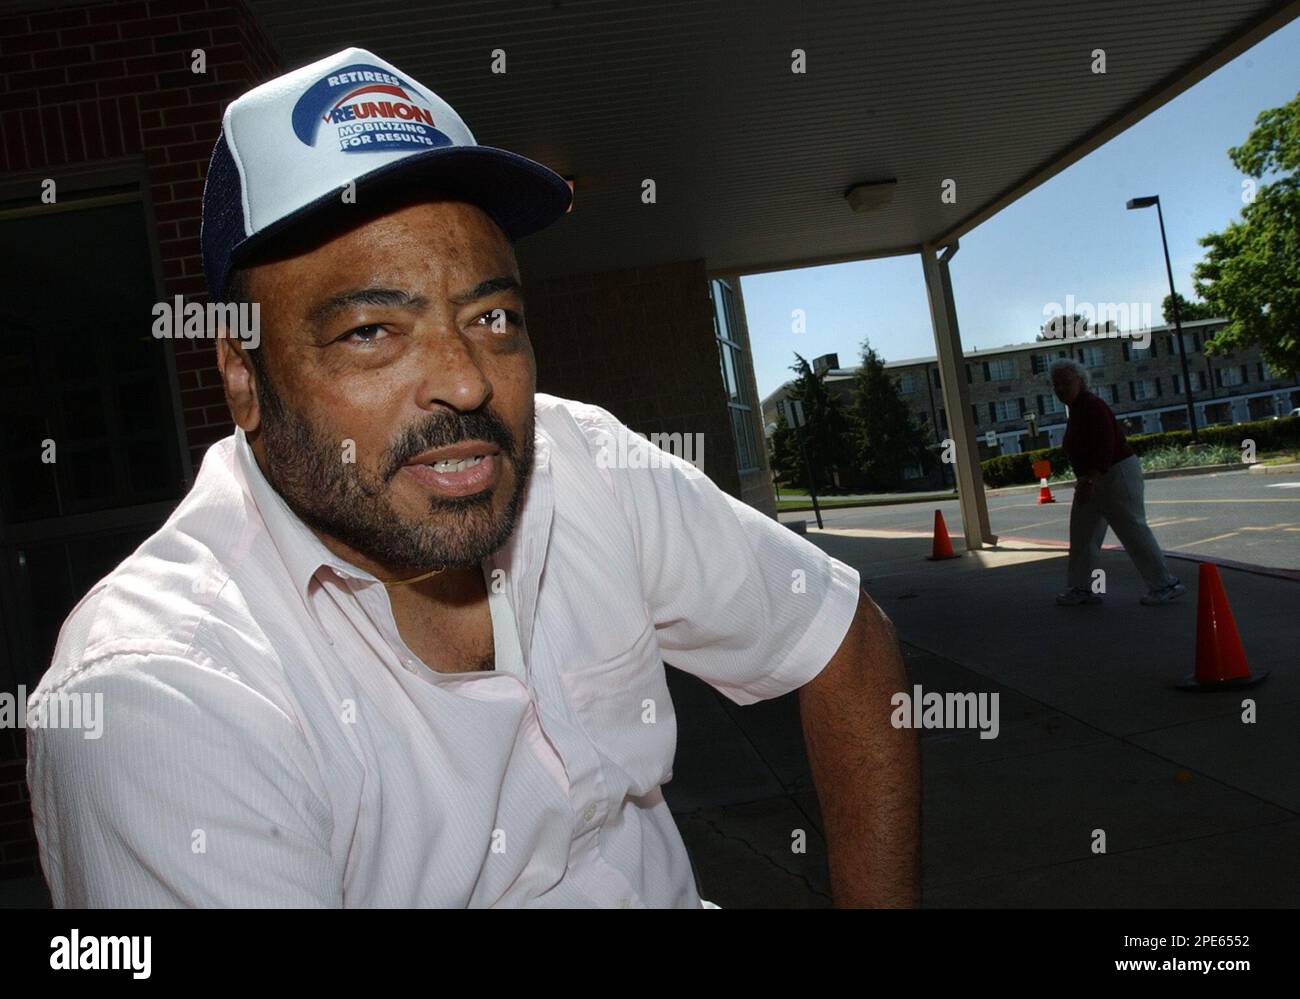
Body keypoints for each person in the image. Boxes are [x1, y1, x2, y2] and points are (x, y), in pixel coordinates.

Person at [26, 48, 918, 908]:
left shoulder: (583, 461)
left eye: (493, 316)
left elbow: (843, 636)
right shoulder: (161, 696)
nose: (466, 379)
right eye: (371, 329)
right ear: (242, 377)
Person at [1050, 358, 1186, 606]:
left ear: (1081, 381)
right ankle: (1082, 589)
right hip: (1094, 478)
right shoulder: (1078, 410)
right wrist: (1087, 481)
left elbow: (1105, 443)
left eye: (1065, 383)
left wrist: (1091, 480)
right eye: (1055, 384)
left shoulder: (1092, 406)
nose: (1060, 388)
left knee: (1132, 529)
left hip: (1114, 475)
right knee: (1082, 534)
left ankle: (1165, 584)